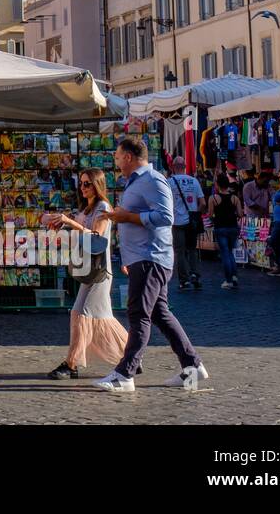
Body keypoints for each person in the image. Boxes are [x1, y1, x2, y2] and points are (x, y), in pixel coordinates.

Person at [95, 137, 206, 392]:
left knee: (138, 314)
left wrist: (127, 217)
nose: (115, 161)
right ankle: (193, 367)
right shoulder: (136, 182)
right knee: (159, 313)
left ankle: (125, 375)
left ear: (129, 157)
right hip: (141, 257)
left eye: (117, 156)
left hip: (151, 257)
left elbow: (166, 217)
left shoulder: (153, 180)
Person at [45, 168, 129, 379]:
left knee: (83, 315)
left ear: (97, 185)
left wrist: (70, 222)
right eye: (81, 183)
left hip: (100, 271)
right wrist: (61, 223)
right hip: (89, 269)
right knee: (96, 317)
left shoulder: (103, 207)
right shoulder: (87, 208)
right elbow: (81, 232)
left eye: (87, 184)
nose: (82, 187)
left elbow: (96, 236)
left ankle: (71, 364)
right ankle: (131, 357)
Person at [167, 157, 205, 291]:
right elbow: (203, 203)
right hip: (191, 221)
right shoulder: (194, 181)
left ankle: (184, 280)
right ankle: (195, 273)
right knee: (192, 249)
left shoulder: (169, 182)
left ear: (173, 167)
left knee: (180, 251)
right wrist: (195, 213)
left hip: (176, 222)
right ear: (185, 166)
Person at [208, 174, 244, 289]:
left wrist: (214, 218)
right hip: (233, 227)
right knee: (230, 252)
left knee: (225, 253)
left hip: (220, 227)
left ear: (217, 185)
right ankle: (234, 276)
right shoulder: (235, 198)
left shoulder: (213, 198)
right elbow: (240, 214)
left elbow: (210, 214)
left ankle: (228, 280)